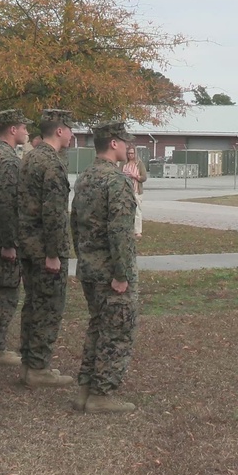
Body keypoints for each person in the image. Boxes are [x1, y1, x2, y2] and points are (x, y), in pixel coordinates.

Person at [70, 121, 140, 414]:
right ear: (114, 143)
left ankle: (86, 388)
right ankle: (102, 393)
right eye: (125, 142)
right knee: (117, 331)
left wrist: (84, 257)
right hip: (111, 272)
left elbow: (74, 224)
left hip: (89, 267)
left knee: (98, 326)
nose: (128, 147)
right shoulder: (117, 181)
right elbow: (120, 232)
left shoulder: (85, 177)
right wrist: (122, 274)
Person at [16, 109, 76, 388]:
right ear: (60, 130)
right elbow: (53, 213)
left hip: (28, 245)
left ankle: (29, 363)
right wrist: (53, 253)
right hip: (44, 249)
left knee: (32, 304)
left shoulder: (31, 156)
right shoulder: (51, 163)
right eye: (70, 129)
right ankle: (38, 366)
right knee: (48, 308)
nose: (73, 135)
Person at [0, 109, 32, 367]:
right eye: (23, 127)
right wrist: (10, 243)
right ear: (12, 129)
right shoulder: (9, 160)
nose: (26, 131)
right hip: (1, 237)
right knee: (6, 292)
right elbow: (7, 204)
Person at [121, 145, 147, 238]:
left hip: (136, 191)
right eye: (128, 153)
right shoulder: (123, 164)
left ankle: (138, 231)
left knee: (137, 211)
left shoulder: (139, 164)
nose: (130, 155)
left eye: (132, 153)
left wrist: (135, 176)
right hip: (125, 191)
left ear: (135, 154)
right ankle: (127, 230)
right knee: (126, 211)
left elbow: (144, 178)